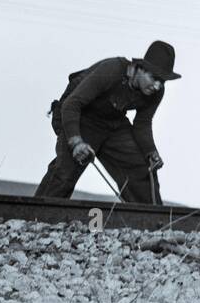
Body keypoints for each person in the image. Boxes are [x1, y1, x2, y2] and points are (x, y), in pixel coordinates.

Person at [35, 40, 179, 204]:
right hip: (78, 115)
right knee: (65, 173)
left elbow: (142, 124)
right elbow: (72, 105)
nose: (157, 85)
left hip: (113, 122)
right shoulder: (112, 70)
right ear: (139, 68)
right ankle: (35, 217)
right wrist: (76, 141)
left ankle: (152, 223)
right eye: (154, 78)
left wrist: (150, 152)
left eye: (163, 81)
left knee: (140, 169)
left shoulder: (156, 91)